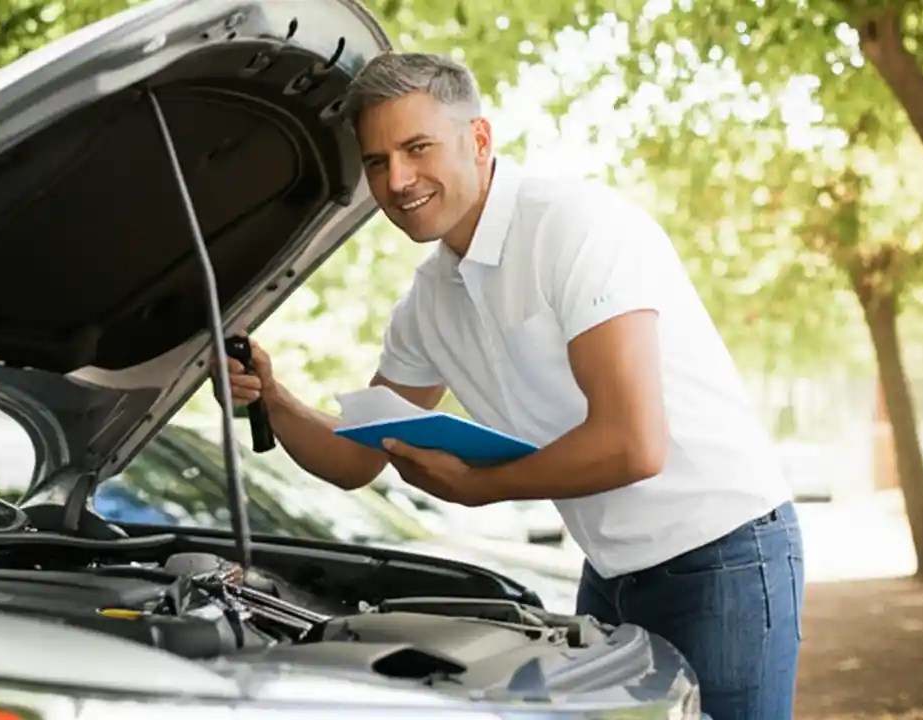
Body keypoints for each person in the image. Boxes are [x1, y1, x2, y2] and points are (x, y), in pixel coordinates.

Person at [222, 51, 803, 719]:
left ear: (478, 138)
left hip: (722, 552)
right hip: (611, 572)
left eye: (417, 148)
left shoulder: (573, 227)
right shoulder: (430, 301)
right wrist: (274, 396)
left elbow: (633, 443)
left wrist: (479, 487)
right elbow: (356, 458)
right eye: (377, 162)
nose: (397, 180)